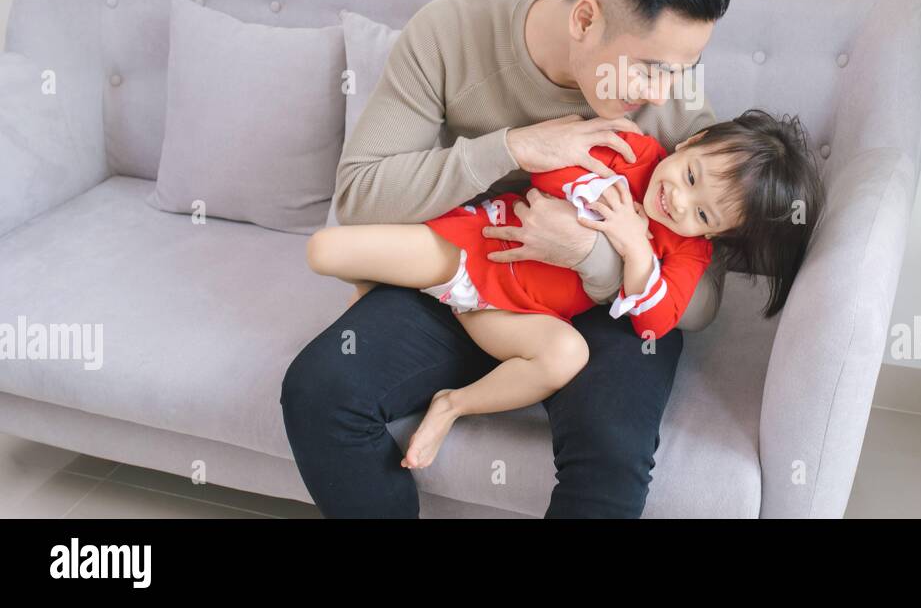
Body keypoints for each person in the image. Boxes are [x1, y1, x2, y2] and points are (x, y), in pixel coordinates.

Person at [280, 0, 735, 517]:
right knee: (321, 392)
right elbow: (360, 196)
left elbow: (704, 297)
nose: (664, 92)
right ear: (584, 20)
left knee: (610, 450)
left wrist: (590, 257)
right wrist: (512, 148)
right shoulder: (451, 33)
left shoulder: (680, 108)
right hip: (480, 262)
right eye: (650, 70)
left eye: (682, 71)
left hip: (609, 307)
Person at [303, 112, 822, 471]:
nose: (680, 202)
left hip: (511, 313)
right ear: (691, 141)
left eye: (703, 214)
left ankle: (452, 406)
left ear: (714, 234)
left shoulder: (687, 253)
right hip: (474, 250)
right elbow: (550, 165)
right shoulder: (635, 153)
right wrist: (602, 203)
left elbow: (656, 322)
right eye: (691, 176)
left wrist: (634, 247)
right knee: (323, 251)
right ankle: (377, 289)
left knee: (566, 354)